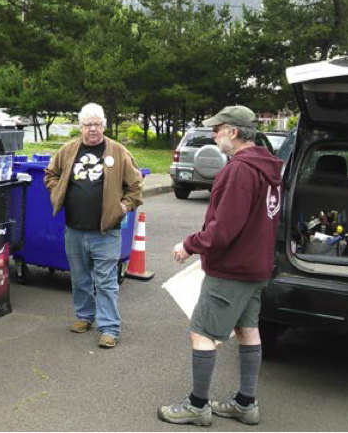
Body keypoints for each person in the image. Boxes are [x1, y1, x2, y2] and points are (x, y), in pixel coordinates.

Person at [158, 105, 282, 427]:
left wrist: (188, 245)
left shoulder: (239, 170)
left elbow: (223, 230)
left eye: (218, 129)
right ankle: (245, 402)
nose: (213, 135)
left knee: (202, 333)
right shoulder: (269, 168)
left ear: (234, 132)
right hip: (256, 269)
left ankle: (198, 406)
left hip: (231, 270)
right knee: (246, 330)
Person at [43, 102, 143, 348]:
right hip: (74, 229)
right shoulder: (68, 150)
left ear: (104, 126)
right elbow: (50, 173)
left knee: (106, 281)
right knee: (79, 278)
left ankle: (109, 328)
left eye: (97, 124)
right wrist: (56, 191)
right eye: (88, 125)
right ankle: (84, 316)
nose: (92, 129)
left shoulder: (118, 152)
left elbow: (136, 186)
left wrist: (124, 206)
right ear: (80, 127)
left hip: (106, 231)